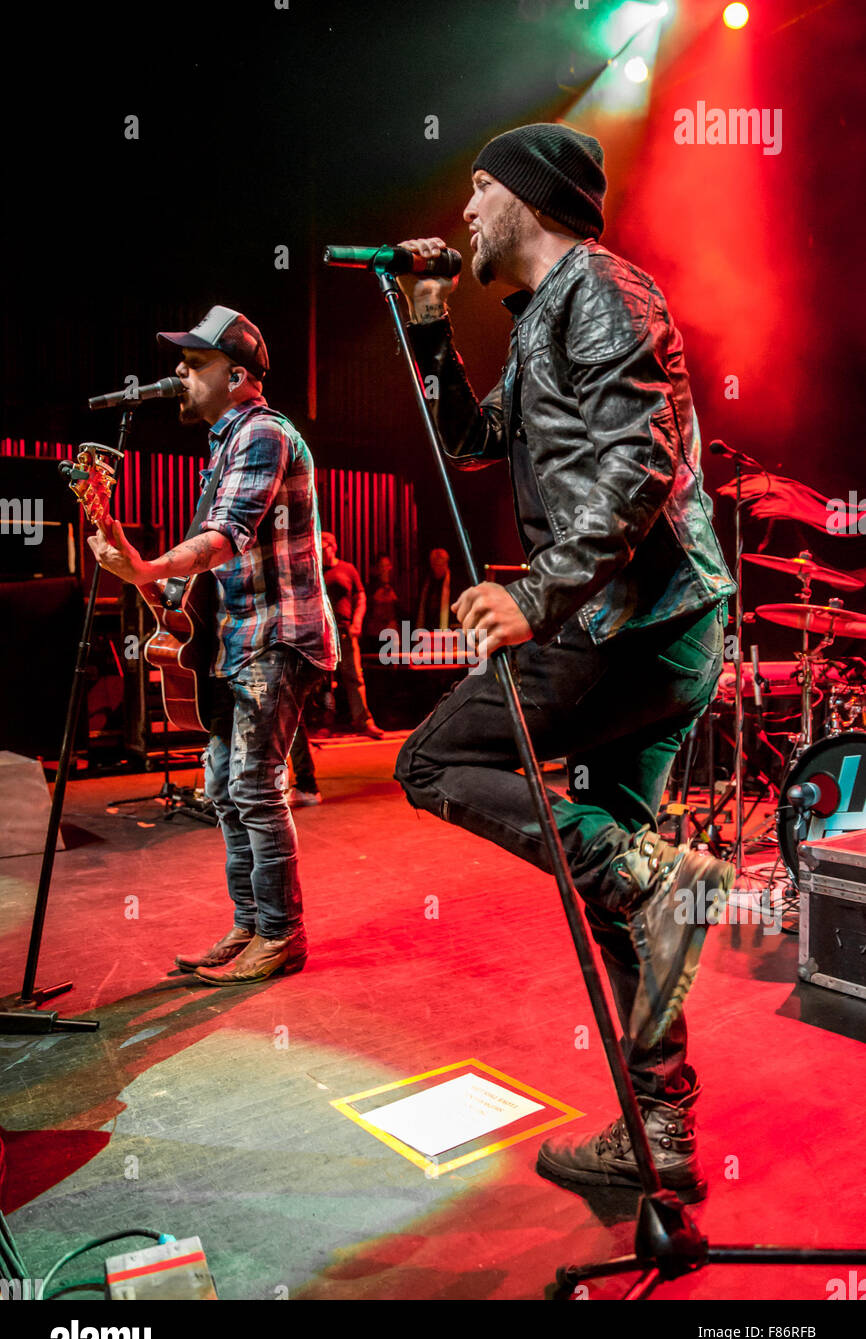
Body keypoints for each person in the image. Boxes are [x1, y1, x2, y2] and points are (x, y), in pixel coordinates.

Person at [393, 125, 737, 1203]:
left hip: (637, 626)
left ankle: (653, 879)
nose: (463, 215)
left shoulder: (603, 291)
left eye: (477, 191)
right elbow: (470, 440)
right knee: (618, 886)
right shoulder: (547, 313)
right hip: (639, 627)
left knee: (433, 761)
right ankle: (662, 1131)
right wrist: (426, 329)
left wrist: (534, 595)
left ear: (528, 199)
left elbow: (640, 463)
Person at [89, 305, 338, 985]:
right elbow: (197, 584)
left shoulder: (263, 434)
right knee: (225, 791)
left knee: (254, 790)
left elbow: (226, 536)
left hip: (277, 638)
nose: (177, 373)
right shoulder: (225, 446)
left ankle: (283, 934)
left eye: (191, 363)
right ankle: (252, 924)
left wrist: (147, 567)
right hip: (237, 640)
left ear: (236, 375)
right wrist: (134, 566)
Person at [321, 531, 385, 738]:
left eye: (324, 547)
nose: (322, 551)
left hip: (345, 630)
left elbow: (361, 596)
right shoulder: (314, 569)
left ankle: (363, 720)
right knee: (324, 681)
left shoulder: (347, 569)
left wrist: (357, 621)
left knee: (354, 677)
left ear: (333, 546)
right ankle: (325, 722)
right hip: (322, 632)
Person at [416, 548, 457, 631]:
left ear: (446, 564)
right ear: (432, 564)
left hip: (449, 631)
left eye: (442, 564)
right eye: (436, 564)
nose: (439, 567)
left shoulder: (455, 585)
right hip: (428, 631)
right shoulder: (426, 583)